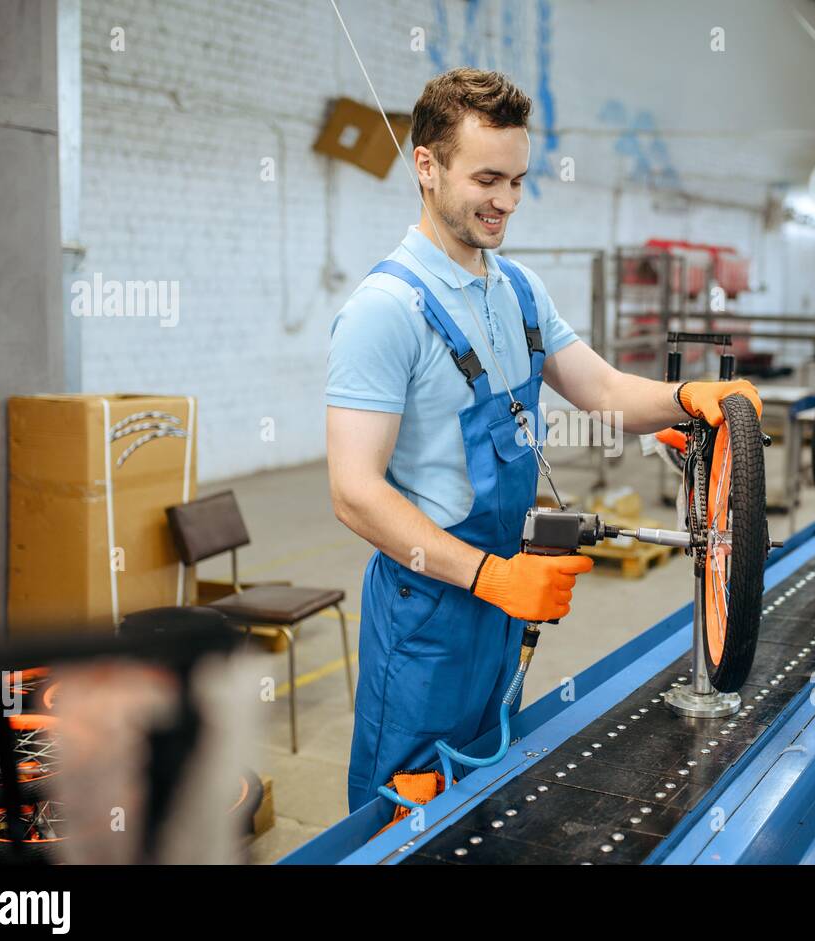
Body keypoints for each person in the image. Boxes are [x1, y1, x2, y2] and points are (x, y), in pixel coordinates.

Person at [326, 68, 761, 812]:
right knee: (401, 813)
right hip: (428, 609)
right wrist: (489, 578)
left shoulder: (518, 291)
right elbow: (354, 492)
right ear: (425, 166)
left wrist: (686, 396)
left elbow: (600, 390)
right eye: (487, 178)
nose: (506, 202)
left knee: (483, 790)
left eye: (519, 180)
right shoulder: (384, 311)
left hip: (505, 599)